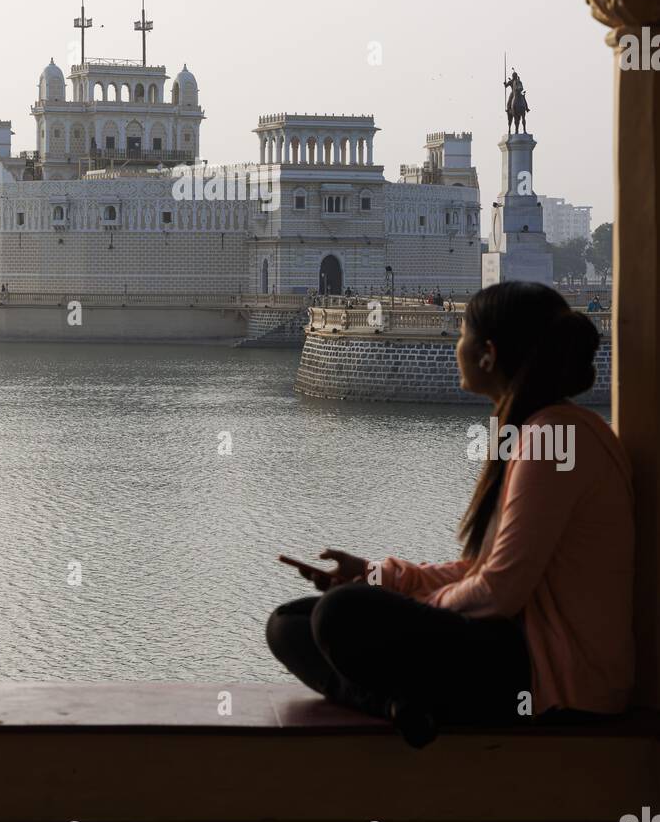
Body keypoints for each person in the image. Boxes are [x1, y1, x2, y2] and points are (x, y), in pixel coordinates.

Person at [266, 282, 634, 747]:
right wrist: (382, 577)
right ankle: (401, 706)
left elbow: (499, 591)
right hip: (513, 654)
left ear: (487, 354)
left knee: (340, 615)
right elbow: (481, 572)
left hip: (552, 683)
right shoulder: (540, 431)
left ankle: (401, 701)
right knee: (290, 625)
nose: (454, 345)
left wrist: (406, 607)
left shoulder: (555, 438)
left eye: (461, 333)